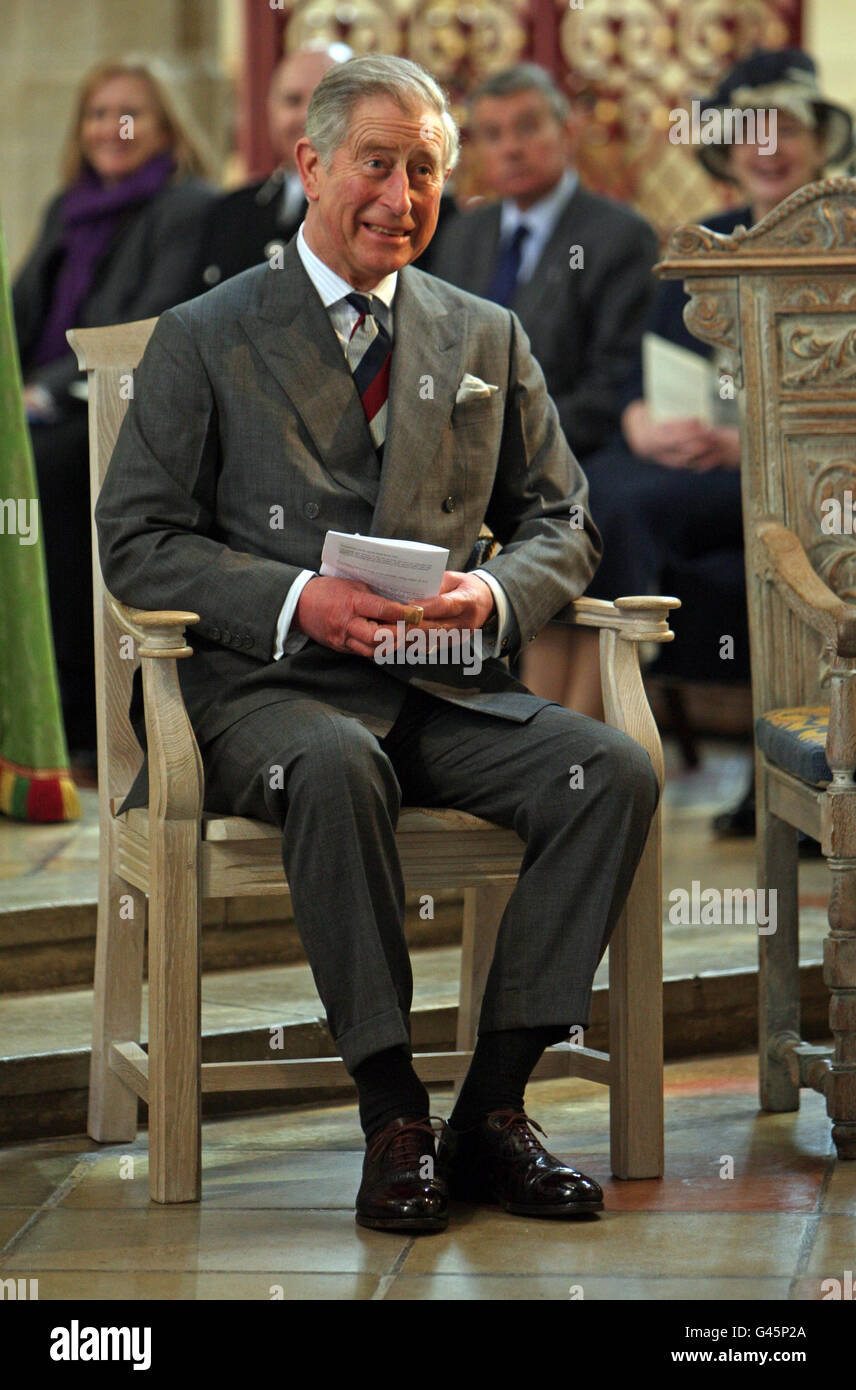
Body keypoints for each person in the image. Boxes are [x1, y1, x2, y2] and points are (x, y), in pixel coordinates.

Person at [95, 54, 659, 1234]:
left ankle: (492, 1111)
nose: (401, 197)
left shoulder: (485, 335)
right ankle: (393, 1110)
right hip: (265, 694)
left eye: (425, 172)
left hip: (445, 689)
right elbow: (138, 540)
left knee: (609, 767)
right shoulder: (206, 335)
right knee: (341, 763)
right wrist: (300, 597)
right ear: (308, 165)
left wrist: (495, 597)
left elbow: (566, 518)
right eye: (376, 164)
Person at [575, 48, 854, 773]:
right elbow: (645, 367)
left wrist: (745, 449)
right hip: (684, 465)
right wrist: (638, 419)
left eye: (787, 131)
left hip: (801, 474)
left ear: (823, 142)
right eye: (749, 134)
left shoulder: (846, 241)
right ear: (728, 153)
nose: (769, 150)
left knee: (625, 511)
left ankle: (602, 742)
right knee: (582, 495)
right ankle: (587, 737)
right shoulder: (705, 243)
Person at [430, 63, 659, 713]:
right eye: (493, 133)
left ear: (568, 129)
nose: (510, 147)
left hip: (574, 446)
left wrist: (512, 442)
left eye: (528, 127)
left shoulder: (619, 236)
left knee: (575, 510)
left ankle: (553, 725)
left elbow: (614, 383)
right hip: (466, 448)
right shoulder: (463, 236)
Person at [13, 59, 216, 777]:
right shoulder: (69, 207)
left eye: (130, 114)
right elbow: (20, 314)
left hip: (112, 410)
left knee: (43, 474)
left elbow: (144, 327)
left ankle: (72, 725)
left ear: (166, 127)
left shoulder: (186, 207)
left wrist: (39, 392)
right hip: (41, 403)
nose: (112, 129)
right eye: (99, 114)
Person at [195, 45, 345, 291]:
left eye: (325, 102)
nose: (307, 116)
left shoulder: (378, 210)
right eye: (292, 100)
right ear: (270, 110)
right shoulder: (230, 211)